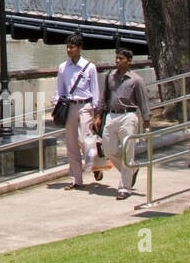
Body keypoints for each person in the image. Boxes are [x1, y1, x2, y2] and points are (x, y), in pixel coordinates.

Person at [96, 48, 151, 200]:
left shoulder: (136, 80)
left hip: (128, 116)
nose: (117, 61)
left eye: (121, 58)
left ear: (129, 61)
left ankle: (124, 188)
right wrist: (98, 115)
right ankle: (131, 170)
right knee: (108, 149)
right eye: (117, 58)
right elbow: (103, 97)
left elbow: (144, 103)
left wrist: (147, 124)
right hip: (111, 115)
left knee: (128, 151)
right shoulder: (110, 77)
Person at [54, 33, 100, 190]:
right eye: (67, 47)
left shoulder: (90, 67)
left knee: (85, 139)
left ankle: (95, 165)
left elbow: (95, 91)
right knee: (72, 144)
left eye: (72, 47)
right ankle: (76, 179)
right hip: (69, 107)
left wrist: (96, 112)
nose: (69, 50)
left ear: (79, 48)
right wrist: (57, 104)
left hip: (85, 106)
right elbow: (59, 89)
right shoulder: (63, 67)